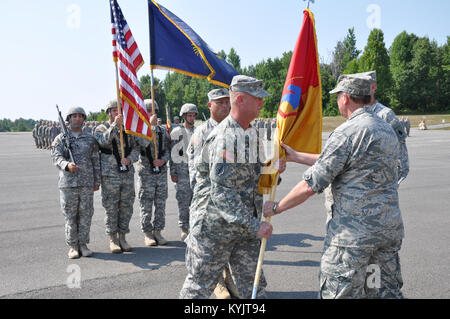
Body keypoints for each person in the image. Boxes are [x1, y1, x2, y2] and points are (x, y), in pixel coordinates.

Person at [264, 76, 405, 299]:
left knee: (341, 293)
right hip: (384, 237)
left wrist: (276, 207)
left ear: (346, 98)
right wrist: (297, 156)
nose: (338, 100)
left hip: (353, 242)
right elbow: (347, 162)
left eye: (339, 95)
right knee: (375, 291)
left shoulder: (347, 132)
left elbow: (311, 186)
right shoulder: (385, 129)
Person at [179, 75, 285, 299]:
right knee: (198, 288)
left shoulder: (250, 132)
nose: (262, 103)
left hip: (242, 229)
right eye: (257, 98)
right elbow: (222, 194)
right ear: (240, 100)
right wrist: (254, 225)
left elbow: (252, 176)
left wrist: (272, 170)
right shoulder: (225, 137)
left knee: (254, 286)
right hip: (214, 228)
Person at [186, 87, 238, 299]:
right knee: (211, 246)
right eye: (219, 103)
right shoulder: (202, 132)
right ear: (210, 105)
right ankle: (217, 284)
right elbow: (196, 169)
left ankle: (228, 278)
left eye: (227, 102)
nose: (224, 106)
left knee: (229, 242)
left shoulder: (236, 128)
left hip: (231, 199)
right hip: (209, 200)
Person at [51, 107, 101, 259]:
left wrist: (96, 180)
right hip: (68, 184)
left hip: (86, 183)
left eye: (80, 116)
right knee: (71, 215)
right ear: (69, 119)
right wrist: (66, 165)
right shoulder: (60, 138)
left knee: (86, 214)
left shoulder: (90, 139)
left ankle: (83, 244)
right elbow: (56, 157)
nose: (78, 119)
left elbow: (95, 160)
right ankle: (73, 246)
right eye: (74, 116)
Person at [94, 100, 140, 254]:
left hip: (126, 173)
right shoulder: (101, 128)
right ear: (109, 113)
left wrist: (130, 159)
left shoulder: (128, 130)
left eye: (119, 111)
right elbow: (102, 141)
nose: (117, 113)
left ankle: (123, 237)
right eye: (114, 111)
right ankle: (113, 238)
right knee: (111, 207)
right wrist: (115, 125)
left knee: (126, 206)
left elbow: (136, 149)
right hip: (110, 174)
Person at [136, 99, 171, 246]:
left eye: (154, 111)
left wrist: (163, 160)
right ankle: (148, 233)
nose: (153, 114)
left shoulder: (162, 131)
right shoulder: (139, 130)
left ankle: (158, 231)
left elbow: (169, 149)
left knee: (161, 204)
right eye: (149, 111)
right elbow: (141, 144)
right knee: (146, 204)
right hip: (146, 173)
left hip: (161, 173)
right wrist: (150, 127)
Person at [170, 103, 198, 241]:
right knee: (183, 202)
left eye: (193, 115)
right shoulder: (177, 133)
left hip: (196, 173)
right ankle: (184, 228)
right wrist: (173, 173)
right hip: (182, 173)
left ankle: (194, 227)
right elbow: (172, 155)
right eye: (189, 115)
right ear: (183, 116)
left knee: (196, 202)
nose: (192, 118)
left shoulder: (199, 132)